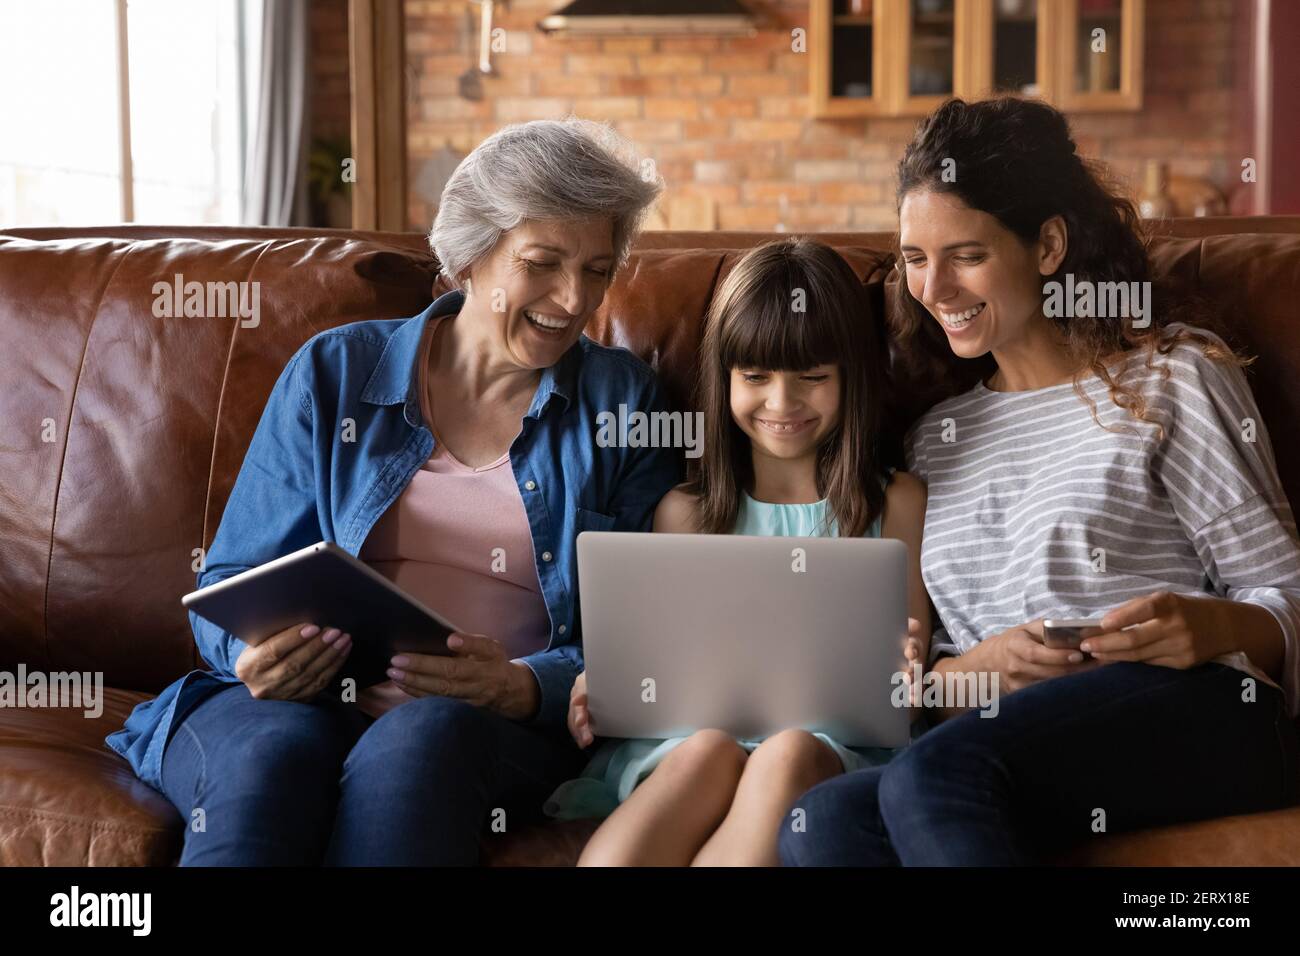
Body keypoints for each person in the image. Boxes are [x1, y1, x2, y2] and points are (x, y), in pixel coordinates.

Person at [105, 118, 682, 865]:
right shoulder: (335, 375)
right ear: (474, 253)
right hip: (299, 704)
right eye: (543, 263)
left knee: (423, 740)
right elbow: (230, 582)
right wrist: (250, 650)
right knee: (268, 765)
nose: (574, 299)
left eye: (599, 270)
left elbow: (645, 643)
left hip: (484, 729)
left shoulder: (624, 406)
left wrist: (521, 686)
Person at [779, 97, 1300, 867]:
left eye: (965, 254)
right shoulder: (936, 437)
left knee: (938, 774)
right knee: (823, 822)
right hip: (1010, 738)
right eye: (916, 259)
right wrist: (968, 671)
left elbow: (1285, 591)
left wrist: (1215, 627)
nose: (935, 288)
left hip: (1197, 705)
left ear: (1049, 244)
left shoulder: (1172, 378)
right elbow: (922, 680)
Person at [546, 237, 930, 865]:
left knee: (788, 749)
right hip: (693, 741)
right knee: (706, 747)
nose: (782, 404)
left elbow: (905, 676)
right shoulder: (684, 512)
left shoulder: (897, 502)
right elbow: (658, 665)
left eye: (812, 378)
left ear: (851, 378)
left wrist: (907, 672)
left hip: (828, 745)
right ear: (724, 379)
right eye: (755, 378)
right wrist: (604, 684)